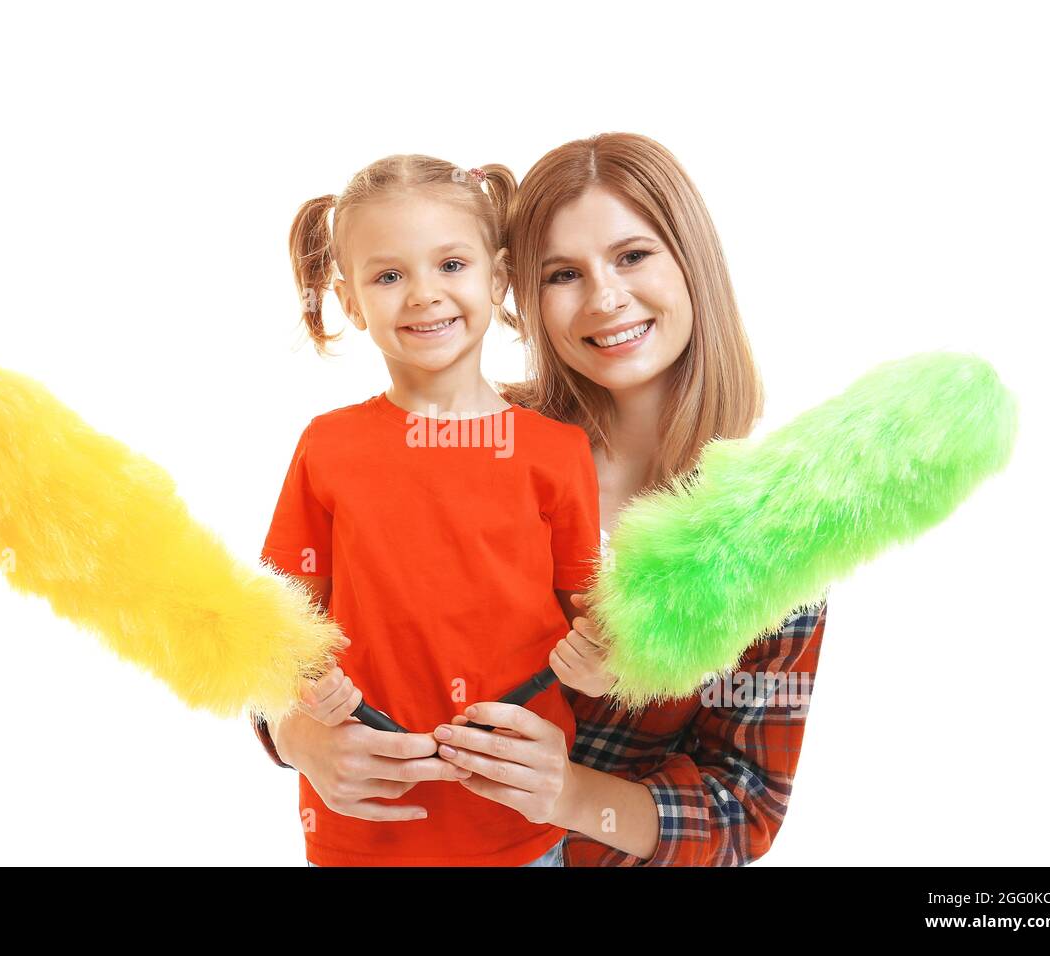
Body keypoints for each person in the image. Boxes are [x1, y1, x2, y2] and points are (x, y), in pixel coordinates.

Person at [259, 133, 828, 866]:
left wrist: (568, 794)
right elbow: (293, 630)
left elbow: (744, 807)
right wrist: (296, 734)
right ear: (521, 289)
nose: (605, 297)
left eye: (632, 255)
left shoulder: (771, 541)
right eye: (563, 273)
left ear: (693, 264)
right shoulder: (467, 440)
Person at [258, 153, 604, 867]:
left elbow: (591, 621)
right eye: (388, 276)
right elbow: (279, 623)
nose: (423, 295)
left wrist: (605, 664)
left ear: (498, 277)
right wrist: (301, 707)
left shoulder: (557, 453)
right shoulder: (327, 448)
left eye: (451, 265)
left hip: (519, 830)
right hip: (363, 828)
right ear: (351, 302)